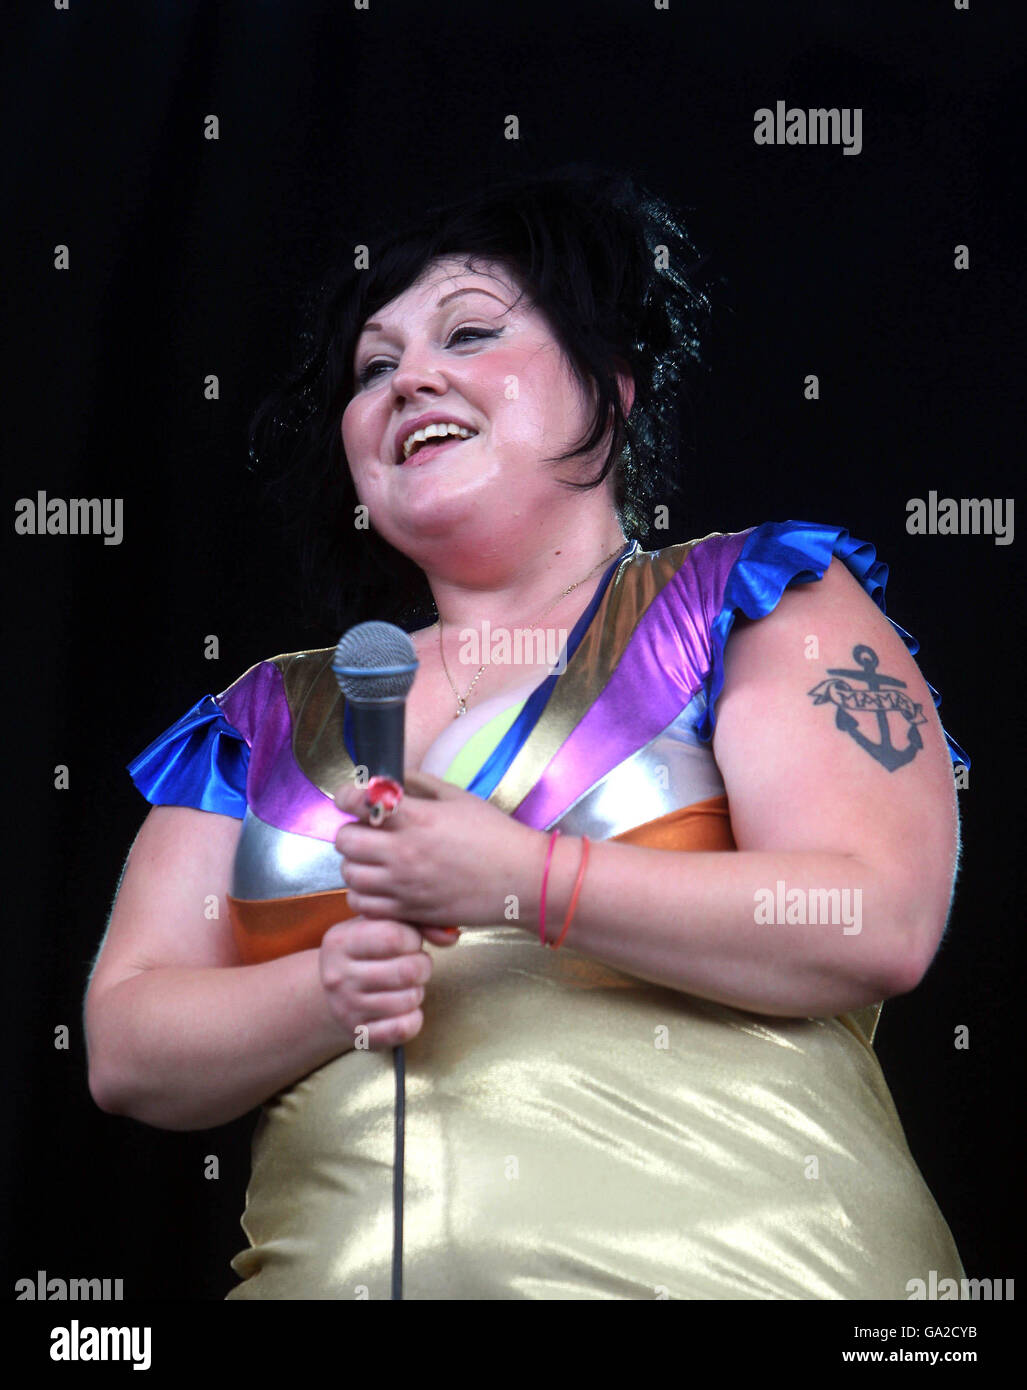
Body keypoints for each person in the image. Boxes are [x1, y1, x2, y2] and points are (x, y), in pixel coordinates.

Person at [84, 169, 969, 1300]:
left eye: (468, 331)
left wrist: (527, 880)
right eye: (373, 367)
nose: (412, 380)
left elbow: (874, 915)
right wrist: (329, 990)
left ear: (610, 377)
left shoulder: (742, 598)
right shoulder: (258, 716)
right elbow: (125, 1046)